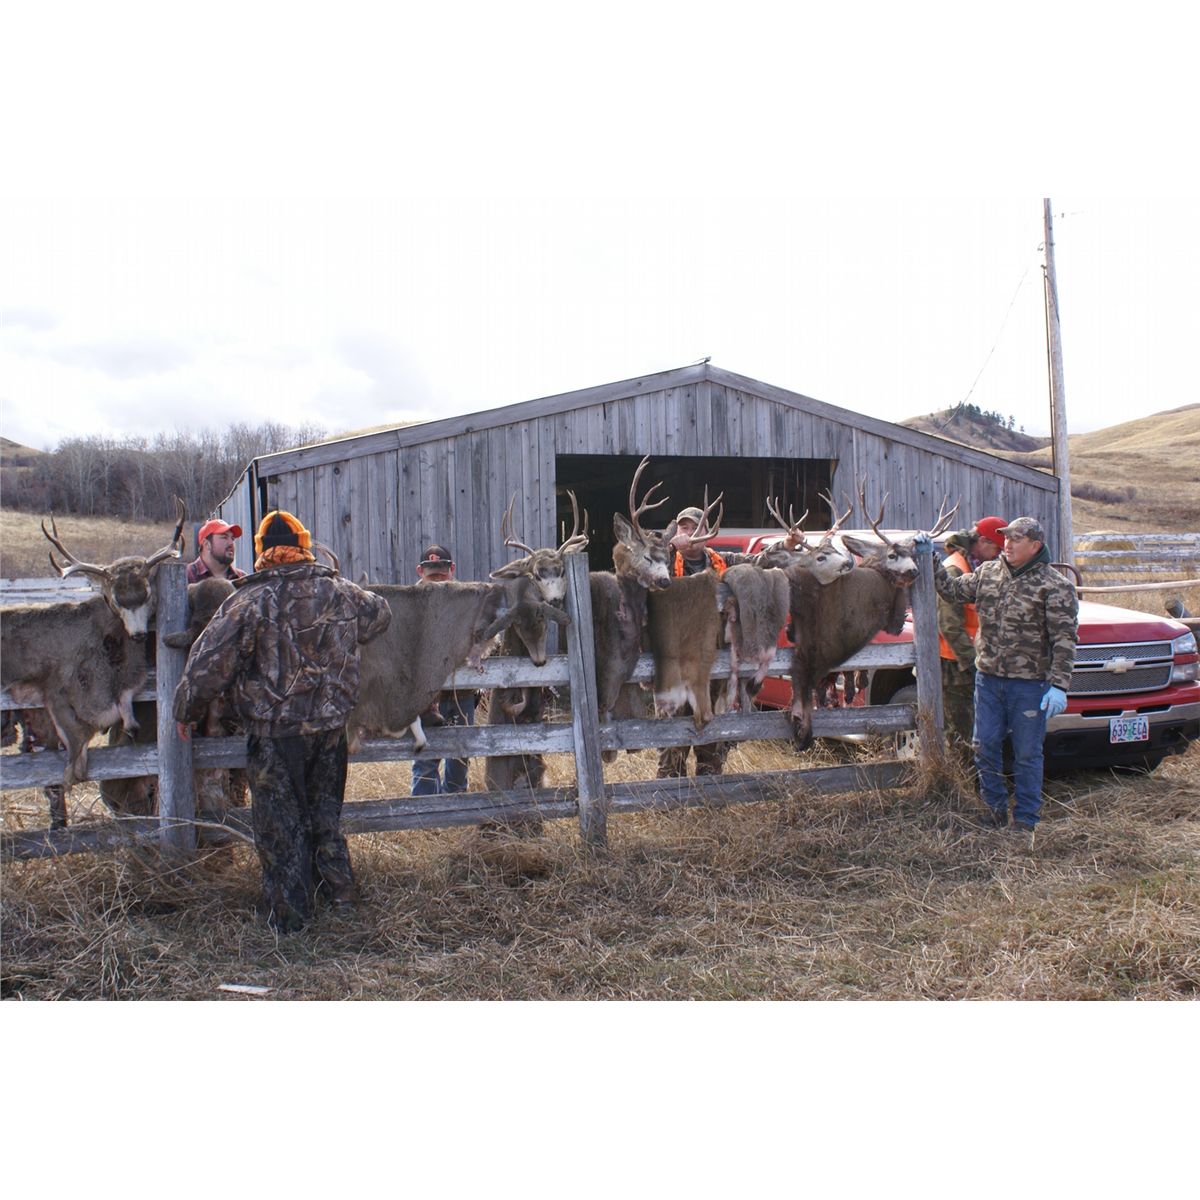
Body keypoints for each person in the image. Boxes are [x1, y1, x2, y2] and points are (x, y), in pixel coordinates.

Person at [174, 510, 390, 932]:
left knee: (280, 829)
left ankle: (291, 919)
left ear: (262, 552)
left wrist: (186, 710)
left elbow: (206, 666)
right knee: (326, 819)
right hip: (330, 731)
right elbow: (380, 615)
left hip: (275, 737)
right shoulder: (342, 593)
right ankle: (341, 899)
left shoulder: (247, 602)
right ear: (304, 545)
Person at [930, 516, 1078, 833]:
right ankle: (993, 809)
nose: (1007, 544)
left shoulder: (1055, 587)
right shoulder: (987, 573)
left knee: (1026, 754)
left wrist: (1059, 686)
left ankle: (1025, 820)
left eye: (1016, 539)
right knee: (984, 746)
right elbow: (951, 592)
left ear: (1035, 546)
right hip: (988, 680)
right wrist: (931, 562)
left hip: (1029, 684)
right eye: (1005, 538)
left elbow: (1065, 640)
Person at [656, 504, 800, 778]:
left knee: (712, 736)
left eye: (695, 528)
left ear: (707, 533)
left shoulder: (723, 562)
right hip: (676, 664)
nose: (689, 533)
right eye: (684, 527)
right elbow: (644, 574)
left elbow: (759, 562)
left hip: (715, 666)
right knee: (671, 737)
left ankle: (709, 798)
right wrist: (669, 548)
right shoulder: (664, 564)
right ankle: (667, 801)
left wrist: (787, 544)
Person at [410, 544, 477, 796]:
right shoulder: (409, 605)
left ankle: (455, 813)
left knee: (460, 756)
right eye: (432, 574)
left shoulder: (469, 600)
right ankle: (425, 820)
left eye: (442, 573)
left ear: (452, 569)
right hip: (424, 697)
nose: (438, 580)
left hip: (462, 694)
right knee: (425, 758)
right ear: (420, 571)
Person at [936, 516, 1007, 750]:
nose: (998, 555)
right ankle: (960, 785)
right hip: (954, 665)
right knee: (960, 735)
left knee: (971, 732)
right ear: (983, 541)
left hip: (968, 662)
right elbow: (949, 624)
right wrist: (972, 663)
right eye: (996, 548)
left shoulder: (974, 566)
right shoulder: (955, 568)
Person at [186, 518, 246, 584]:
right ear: (207, 544)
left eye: (232, 538)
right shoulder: (186, 576)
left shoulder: (242, 578)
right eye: (224, 537)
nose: (231, 543)